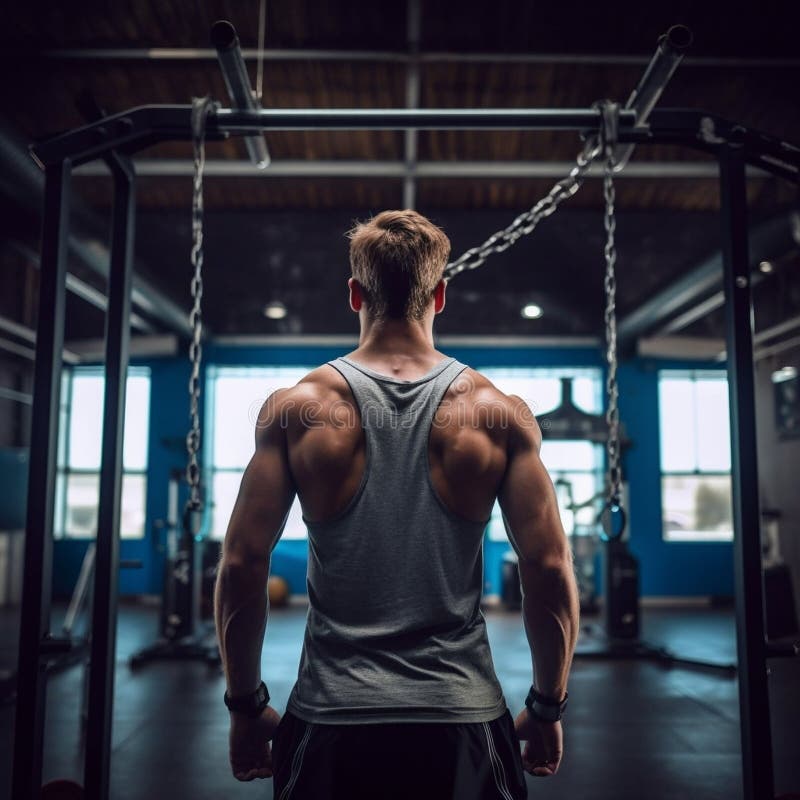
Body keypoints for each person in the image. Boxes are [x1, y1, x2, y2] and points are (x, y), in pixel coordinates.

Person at [214, 210, 580, 799]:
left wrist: (245, 704)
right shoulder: (498, 413)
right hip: (461, 716)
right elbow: (548, 568)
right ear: (440, 296)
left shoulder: (295, 409)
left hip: (331, 718)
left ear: (354, 293)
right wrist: (546, 705)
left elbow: (240, 564)